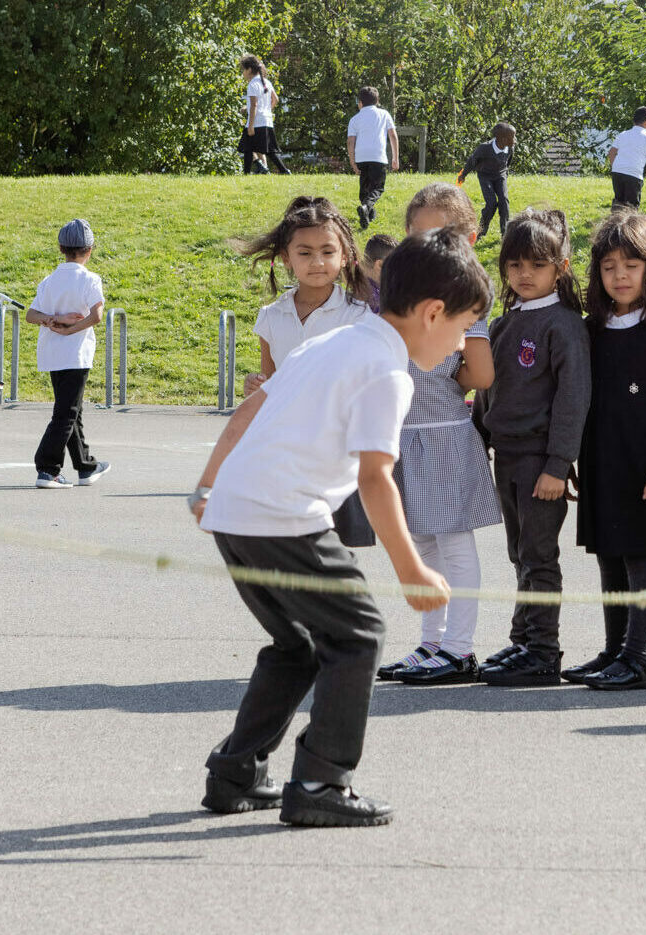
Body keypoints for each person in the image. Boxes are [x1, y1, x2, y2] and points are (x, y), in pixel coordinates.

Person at [193, 227, 491, 827]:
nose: (461, 345)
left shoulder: (336, 341)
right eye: (463, 327)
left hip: (237, 512)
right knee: (359, 636)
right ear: (433, 313)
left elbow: (252, 405)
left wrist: (208, 485)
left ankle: (235, 774)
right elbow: (376, 478)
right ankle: (321, 782)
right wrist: (412, 569)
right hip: (285, 519)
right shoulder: (388, 372)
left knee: (299, 646)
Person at [566, 210, 646, 691]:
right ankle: (615, 650)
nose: (619, 275)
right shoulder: (593, 327)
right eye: (609, 266)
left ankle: (639, 659)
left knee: (640, 558)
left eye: (631, 265)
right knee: (610, 557)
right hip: (602, 460)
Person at [383, 187, 501, 686]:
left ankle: (459, 648)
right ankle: (432, 642)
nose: (429, 246)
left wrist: (447, 379)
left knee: (454, 544)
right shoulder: (399, 296)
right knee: (423, 544)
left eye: (442, 235)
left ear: (468, 240)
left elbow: (482, 374)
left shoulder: (468, 296)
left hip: (445, 438)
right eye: (419, 235)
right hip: (406, 438)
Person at [475, 208, 591, 687]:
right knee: (519, 553)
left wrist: (558, 465)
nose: (525, 274)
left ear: (559, 269)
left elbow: (572, 399)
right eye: (515, 264)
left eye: (537, 265)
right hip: (507, 458)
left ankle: (543, 651)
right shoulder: (505, 323)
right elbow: (488, 390)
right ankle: (522, 640)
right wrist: (479, 438)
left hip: (541, 463)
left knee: (539, 556)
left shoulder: (564, 325)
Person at [234, 196, 376, 546]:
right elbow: (269, 384)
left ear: (345, 256)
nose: (317, 262)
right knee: (294, 550)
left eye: (327, 251)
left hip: (339, 453)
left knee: (337, 552)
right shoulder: (271, 316)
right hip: (286, 454)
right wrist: (255, 385)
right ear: (286, 258)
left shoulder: (358, 315)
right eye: (305, 252)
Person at [25, 220, 109, 489]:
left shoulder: (49, 281)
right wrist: (72, 328)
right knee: (66, 413)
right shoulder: (90, 279)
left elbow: (31, 315)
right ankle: (47, 469)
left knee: (72, 410)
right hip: (76, 354)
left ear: (61, 248)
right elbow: (96, 315)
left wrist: (53, 320)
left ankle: (85, 466)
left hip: (52, 353)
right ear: (90, 250)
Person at [347, 87, 400, 230]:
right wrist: (395, 158)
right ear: (377, 101)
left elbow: (350, 142)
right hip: (378, 157)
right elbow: (393, 135)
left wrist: (352, 162)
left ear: (360, 102)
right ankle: (366, 208)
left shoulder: (354, 119)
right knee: (377, 187)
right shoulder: (384, 114)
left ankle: (369, 214)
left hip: (361, 157)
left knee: (364, 189)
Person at [458, 122, 516, 237]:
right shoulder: (484, 148)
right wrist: (463, 174)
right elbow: (472, 161)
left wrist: (505, 172)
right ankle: (481, 230)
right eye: (513, 137)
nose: (515, 140)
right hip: (485, 176)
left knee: (504, 201)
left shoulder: (510, 148)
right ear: (503, 139)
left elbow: (508, 161)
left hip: (500, 175)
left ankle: (505, 233)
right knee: (491, 203)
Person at [240, 55, 291, 175]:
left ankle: (247, 173)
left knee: (248, 148)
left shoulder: (252, 84)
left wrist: (251, 126)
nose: (243, 73)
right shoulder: (266, 82)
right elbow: (275, 99)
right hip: (266, 120)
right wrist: (267, 111)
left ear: (249, 70)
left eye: (243, 70)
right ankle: (284, 171)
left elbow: (254, 105)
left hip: (256, 122)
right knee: (266, 150)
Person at [606, 107, 646, 210]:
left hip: (617, 173)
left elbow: (611, 153)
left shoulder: (623, 134)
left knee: (619, 201)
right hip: (633, 175)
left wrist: (616, 166)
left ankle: (615, 217)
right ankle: (630, 219)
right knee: (631, 206)